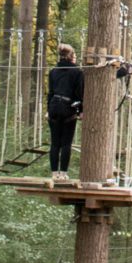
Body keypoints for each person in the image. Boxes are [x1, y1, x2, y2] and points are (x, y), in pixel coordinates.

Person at [46, 46, 84, 177]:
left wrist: (48, 110)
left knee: (55, 143)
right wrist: (80, 111)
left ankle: (54, 173)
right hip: (68, 108)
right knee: (66, 143)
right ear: (71, 56)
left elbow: (50, 93)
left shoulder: (53, 71)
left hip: (54, 106)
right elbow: (79, 94)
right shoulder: (77, 72)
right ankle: (63, 173)